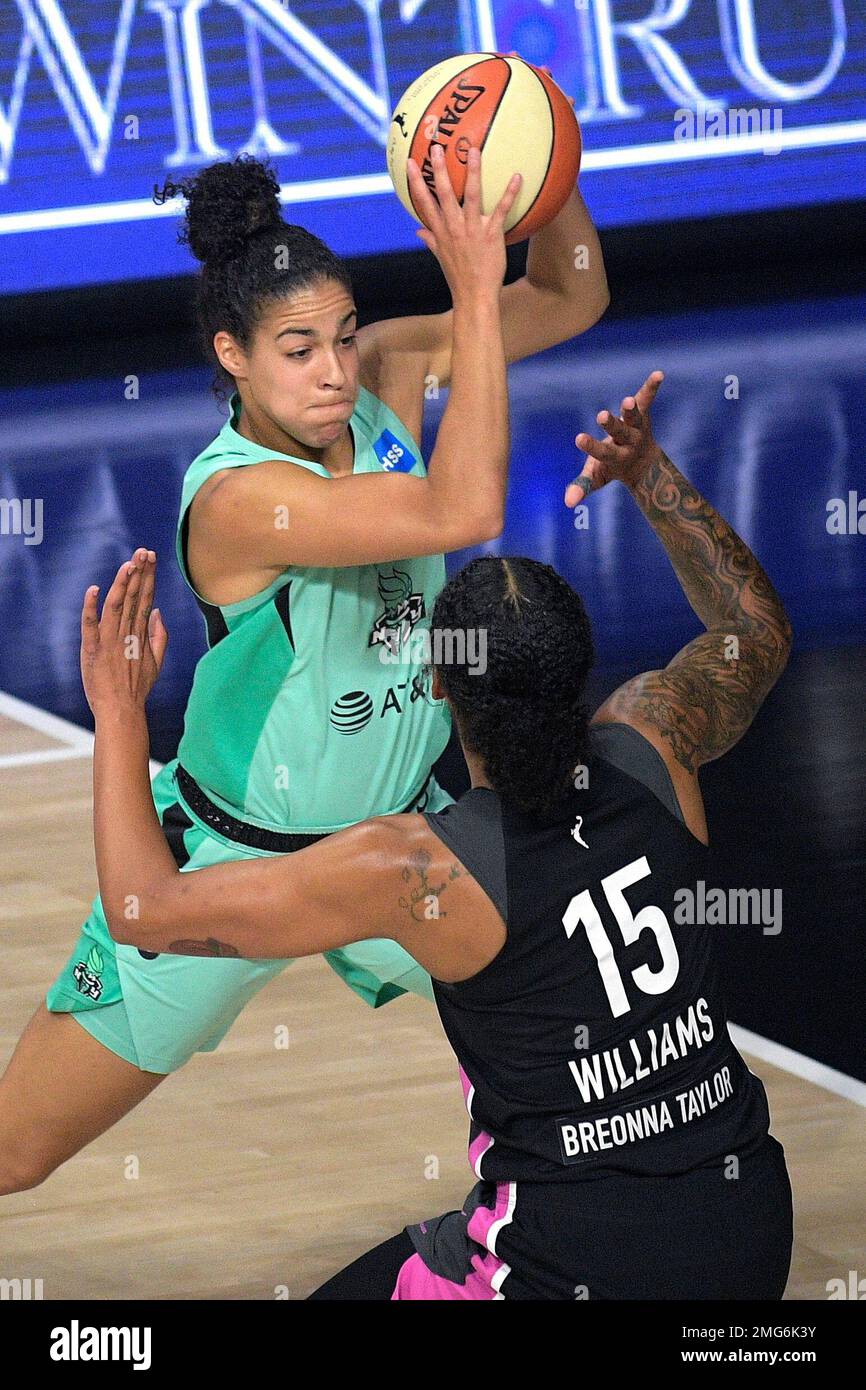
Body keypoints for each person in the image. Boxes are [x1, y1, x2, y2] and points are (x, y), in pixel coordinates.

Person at [79, 371, 794, 1300]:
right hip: (749, 1235)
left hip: (570, 1264)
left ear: (443, 689)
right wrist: (650, 470)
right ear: (581, 668)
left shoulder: (420, 868)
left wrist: (120, 715)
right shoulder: (655, 740)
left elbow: (145, 912)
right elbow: (755, 627)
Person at [0, 141, 609, 1194]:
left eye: (339, 336)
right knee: (16, 1150)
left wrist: (543, 158)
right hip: (230, 870)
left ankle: (597, 1232)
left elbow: (570, 292)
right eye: (295, 349)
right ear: (231, 353)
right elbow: (459, 510)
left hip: (403, 847)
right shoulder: (238, 502)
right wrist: (468, 285)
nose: (333, 370)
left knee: (592, 1022)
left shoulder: (386, 373)